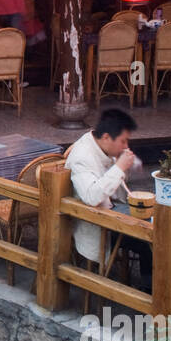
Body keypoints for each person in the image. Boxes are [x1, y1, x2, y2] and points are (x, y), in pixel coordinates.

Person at [65, 108, 144, 273]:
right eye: (123, 141)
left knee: (159, 222)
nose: (126, 146)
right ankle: (152, 288)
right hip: (97, 221)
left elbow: (118, 181)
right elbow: (92, 197)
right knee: (152, 236)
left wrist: (127, 164)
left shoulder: (104, 146)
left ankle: (155, 283)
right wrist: (120, 166)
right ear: (106, 137)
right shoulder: (82, 156)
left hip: (115, 208)